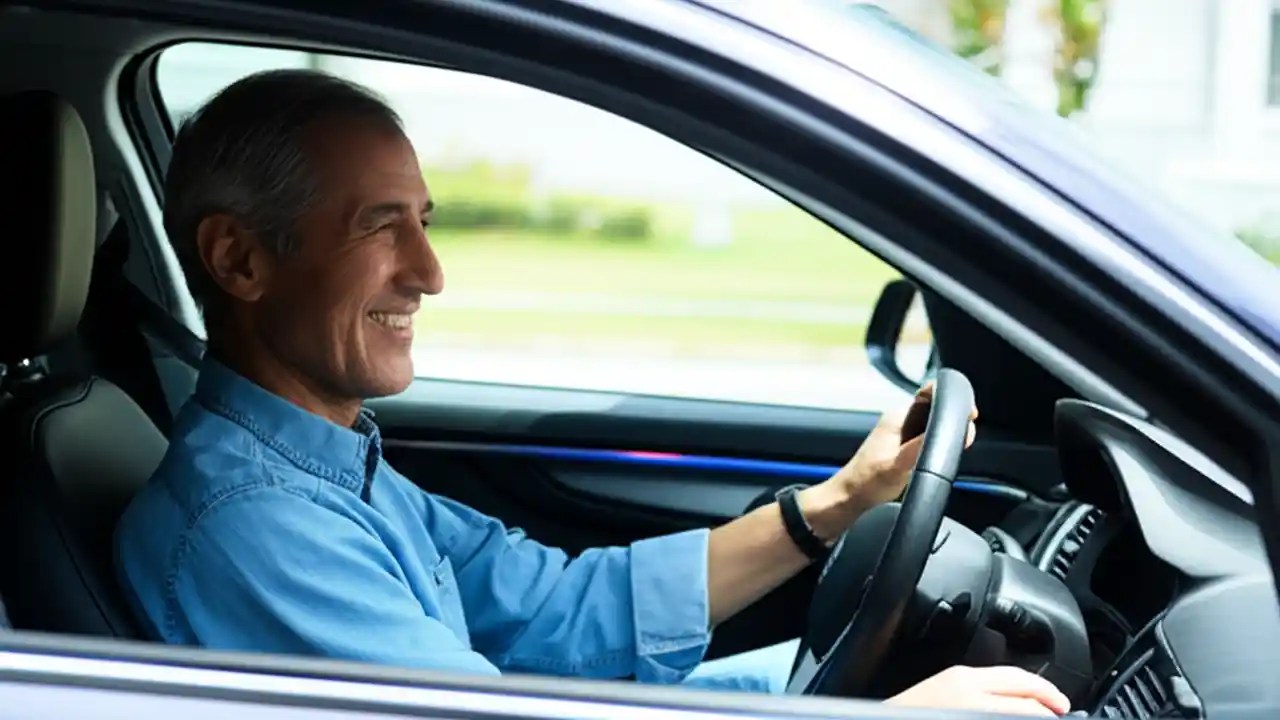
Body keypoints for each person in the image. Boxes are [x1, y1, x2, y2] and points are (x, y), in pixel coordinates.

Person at [114, 70, 1070, 717]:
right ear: (239, 260)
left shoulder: (326, 467)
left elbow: (557, 610)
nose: (430, 273)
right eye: (379, 226)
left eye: (425, 223)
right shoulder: (255, 524)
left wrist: (838, 505)